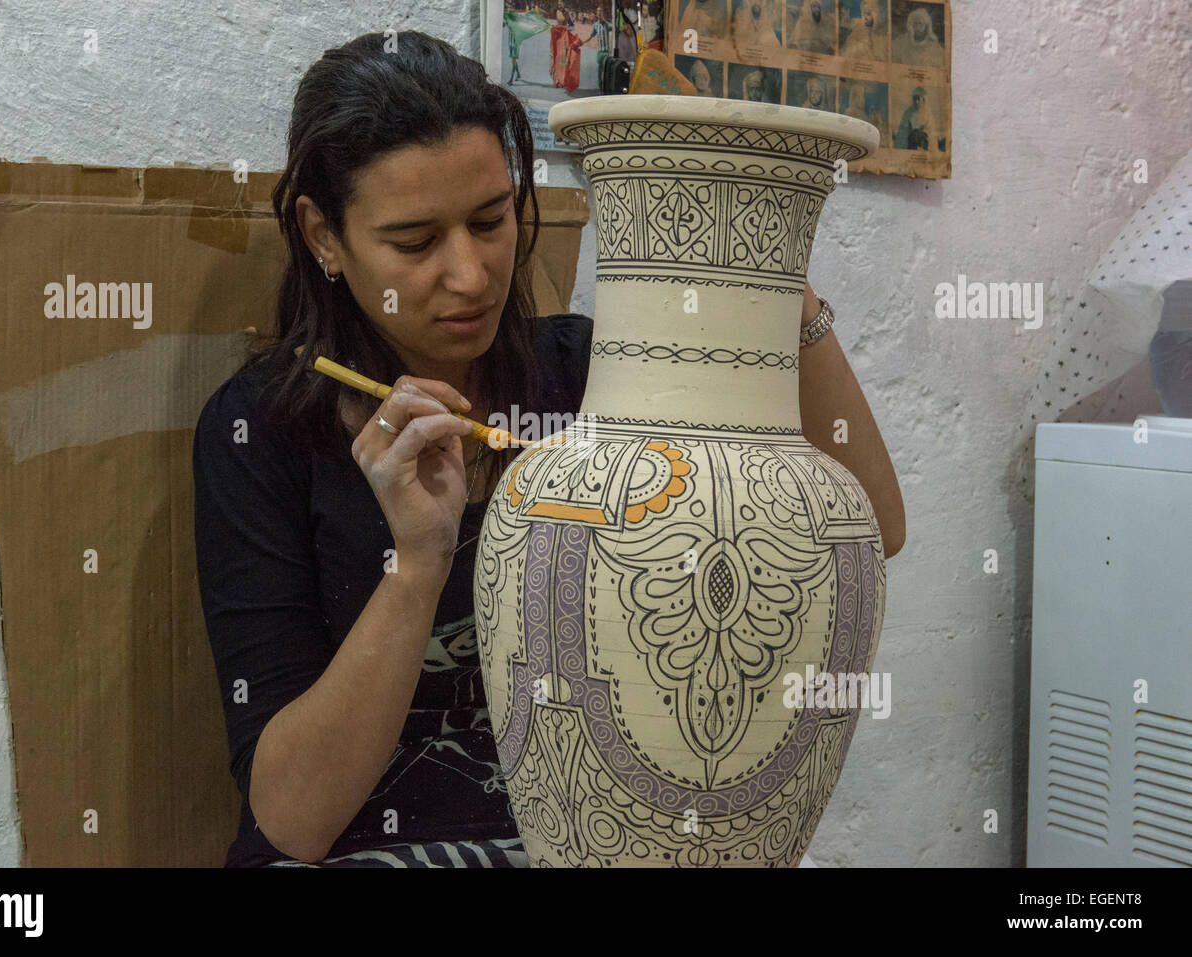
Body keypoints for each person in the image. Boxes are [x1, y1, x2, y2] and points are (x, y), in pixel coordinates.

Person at [194, 29, 905, 868]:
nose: (471, 273)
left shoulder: (589, 376)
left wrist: (771, 270)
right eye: (416, 243)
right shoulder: (261, 432)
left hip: (593, 834)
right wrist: (419, 561)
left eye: (491, 220)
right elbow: (292, 818)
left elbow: (869, 528)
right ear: (322, 235)